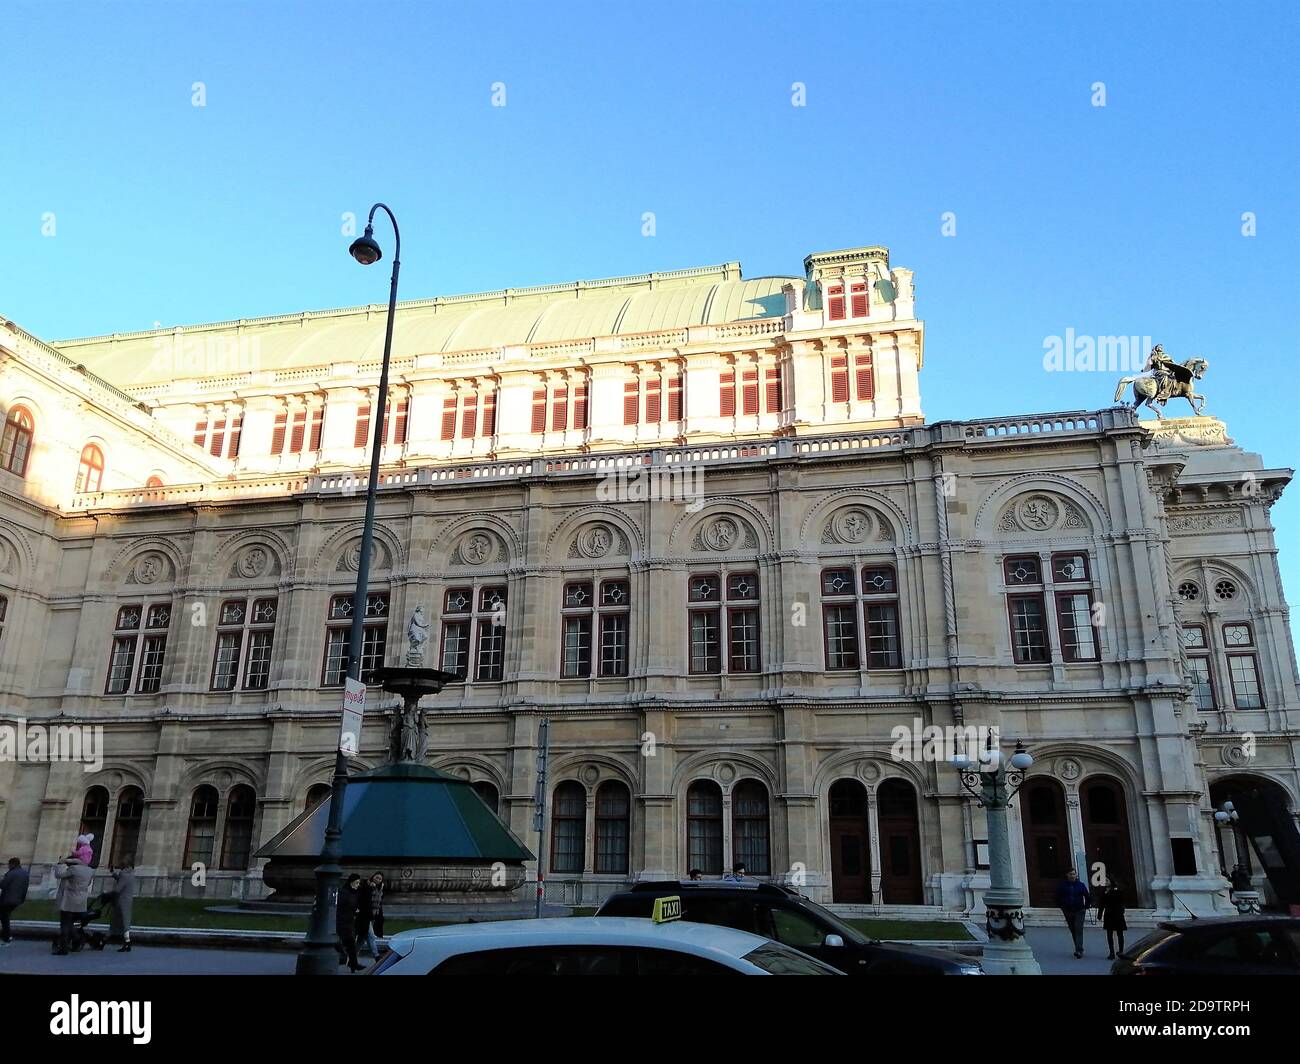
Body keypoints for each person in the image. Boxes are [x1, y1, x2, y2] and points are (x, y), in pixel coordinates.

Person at [52, 851, 94, 955]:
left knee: (65, 924)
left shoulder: (73, 869)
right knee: (71, 923)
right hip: (81, 901)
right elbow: (88, 883)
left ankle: (64, 947)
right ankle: (77, 939)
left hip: (70, 900)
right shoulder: (89, 870)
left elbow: (58, 875)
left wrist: (60, 863)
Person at [1054, 869, 1092, 959]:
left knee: (1078, 929)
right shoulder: (1062, 885)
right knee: (1073, 929)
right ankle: (1079, 948)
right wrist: (1061, 906)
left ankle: (1079, 950)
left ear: (1076, 875)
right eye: (1070, 874)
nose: (1072, 876)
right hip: (1068, 910)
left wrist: (1086, 906)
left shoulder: (1081, 885)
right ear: (1067, 875)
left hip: (1079, 910)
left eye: (1074, 874)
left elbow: (1087, 896)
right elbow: (1057, 896)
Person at [335, 874, 363, 972]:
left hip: (350, 921)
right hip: (342, 921)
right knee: (341, 942)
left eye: (359, 883)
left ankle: (353, 964)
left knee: (351, 944)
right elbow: (339, 906)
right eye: (357, 882)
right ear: (351, 882)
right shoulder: (343, 892)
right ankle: (347, 960)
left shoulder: (355, 893)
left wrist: (356, 910)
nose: (358, 885)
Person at [107, 860, 136, 953]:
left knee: (123, 922)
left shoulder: (124, 874)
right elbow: (121, 880)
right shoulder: (131, 874)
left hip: (122, 901)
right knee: (125, 921)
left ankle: (127, 941)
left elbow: (118, 888)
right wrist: (113, 873)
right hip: (128, 900)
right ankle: (126, 941)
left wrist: (108, 894)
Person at [1096, 877, 1127, 960]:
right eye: (1104, 880)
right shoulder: (1103, 891)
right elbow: (1101, 904)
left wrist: (1121, 911)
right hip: (1108, 915)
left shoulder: (1117, 890)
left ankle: (1121, 951)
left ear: (1111, 881)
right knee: (1109, 934)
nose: (1105, 882)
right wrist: (1099, 914)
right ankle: (1111, 952)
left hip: (1117, 914)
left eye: (1107, 880)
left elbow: (1122, 901)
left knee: (1120, 934)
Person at [0, 858, 30, 944]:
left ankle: (7, 937)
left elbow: (3, 885)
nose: (8, 866)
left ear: (12, 864)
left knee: (4, 917)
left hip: (7, 899)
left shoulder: (11, 873)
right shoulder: (25, 874)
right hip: (17, 900)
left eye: (9, 864)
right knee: (4, 917)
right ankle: (7, 936)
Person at [356, 872, 385, 957]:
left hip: (373, 916)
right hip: (364, 915)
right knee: (371, 936)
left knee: (362, 938)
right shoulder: (366, 885)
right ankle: (376, 956)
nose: (378, 880)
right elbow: (364, 899)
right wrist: (371, 888)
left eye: (380, 879)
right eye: (376, 877)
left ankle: (352, 956)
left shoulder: (380, 889)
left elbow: (379, 904)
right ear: (373, 877)